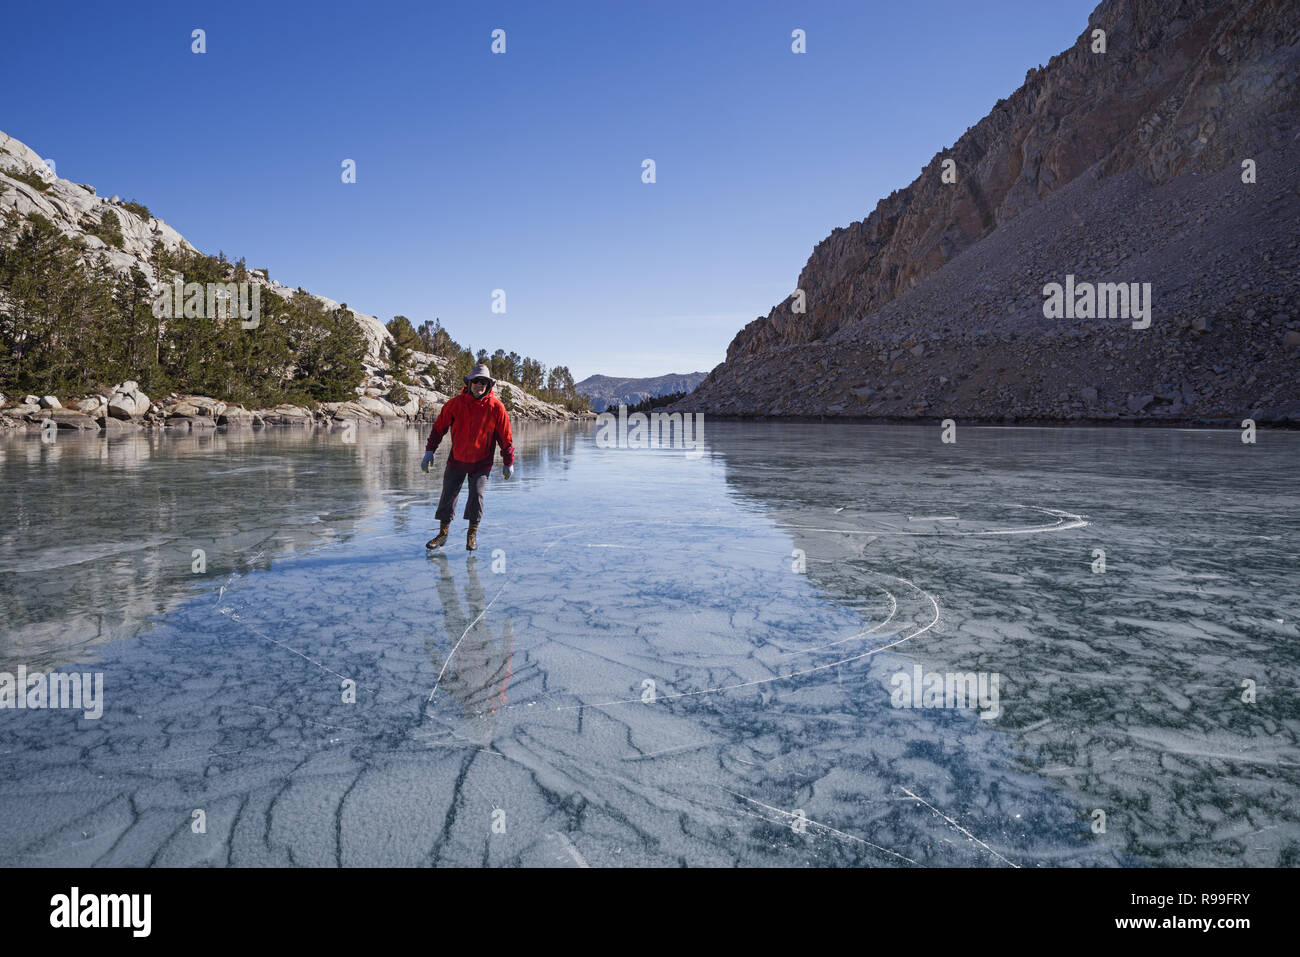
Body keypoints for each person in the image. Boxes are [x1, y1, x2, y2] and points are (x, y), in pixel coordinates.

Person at [421, 363, 515, 550]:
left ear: (488, 385)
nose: (479, 385)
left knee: (476, 496)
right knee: (448, 495)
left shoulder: (496, 407)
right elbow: (439, 428)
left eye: (483, 382)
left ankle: (472, 534)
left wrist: (508, 461)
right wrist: (430, 451)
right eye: (475, 381)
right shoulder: (455, 404)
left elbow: (505, 437)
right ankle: (443, 534)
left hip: (482, 462)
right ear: (469, 383)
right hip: (457, 459)